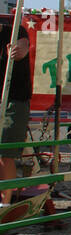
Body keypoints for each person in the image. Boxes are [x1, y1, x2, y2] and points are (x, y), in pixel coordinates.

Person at [0, 13, 32, 206]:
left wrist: (19, 50)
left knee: (5, 152)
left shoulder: (14, 32)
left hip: (13, 100)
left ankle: (5, 201)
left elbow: (22, 48)